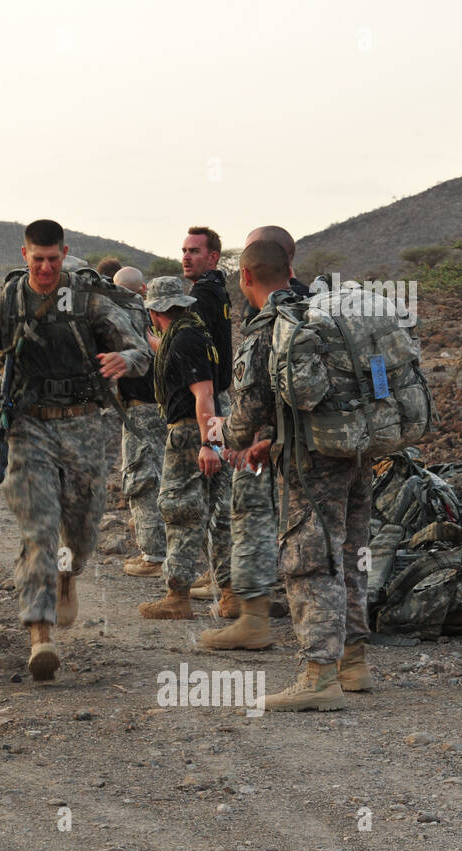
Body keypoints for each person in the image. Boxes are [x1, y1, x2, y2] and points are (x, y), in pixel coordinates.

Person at [0, 219, 148, 680]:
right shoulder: (5, 305)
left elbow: (141, 349)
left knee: (81, 529)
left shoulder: (87, 301)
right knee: (39, 530)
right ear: (25, 255)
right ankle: (40, 635)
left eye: (54, 259)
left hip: (84, 425)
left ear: (64, 253)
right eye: (38, 259)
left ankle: (67, 576)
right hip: (29, 428)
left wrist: (125, 359)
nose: (47, 267)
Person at [228, 240, 371, 710]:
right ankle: (352, 663)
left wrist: (229, 439)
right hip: (357, 447)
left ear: (245, 276)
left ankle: (318, 676)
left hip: (311, 465)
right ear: (291, 268)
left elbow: (247, 409)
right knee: (350, 554)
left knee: (309, 561)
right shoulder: (328, 312)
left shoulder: (272, 325)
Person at [200, 226, 307, 649]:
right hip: (310, 442)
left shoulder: (267, 317)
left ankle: (254, 620)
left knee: (250, 519)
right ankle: (347, 650)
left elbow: (250, 400)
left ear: (247, 271)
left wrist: (222, 438)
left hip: (261, 442)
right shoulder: (316, 307)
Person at [137, 275, 230, 619]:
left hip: (192, 432)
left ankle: (177, 596)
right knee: (218, 511)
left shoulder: (186, 339)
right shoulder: (193, 333)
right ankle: (230, 592)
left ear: (158, 311)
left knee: (179, 509)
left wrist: (208, 444)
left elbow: (203, 393)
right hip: (210, 427)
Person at [180, 227, 235, 612]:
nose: (186, 257)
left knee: (213, 499)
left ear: (213, 257)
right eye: (184, 250)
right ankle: (221, 578)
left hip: (210, 406)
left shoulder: (202, 296)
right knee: (216, 499)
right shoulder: (216, 290)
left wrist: (211, 441)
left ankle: (230, 587)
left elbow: (206, 384)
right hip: (215, 402)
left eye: (195, 251)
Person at [111, 266, 168, 578]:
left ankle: (154, 555)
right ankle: (169, 550)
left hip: (139, 408)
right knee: (162, 475)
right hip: (165, 405)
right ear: (143, 288)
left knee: (140, 478)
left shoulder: (120, 317)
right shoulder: (157, 314)